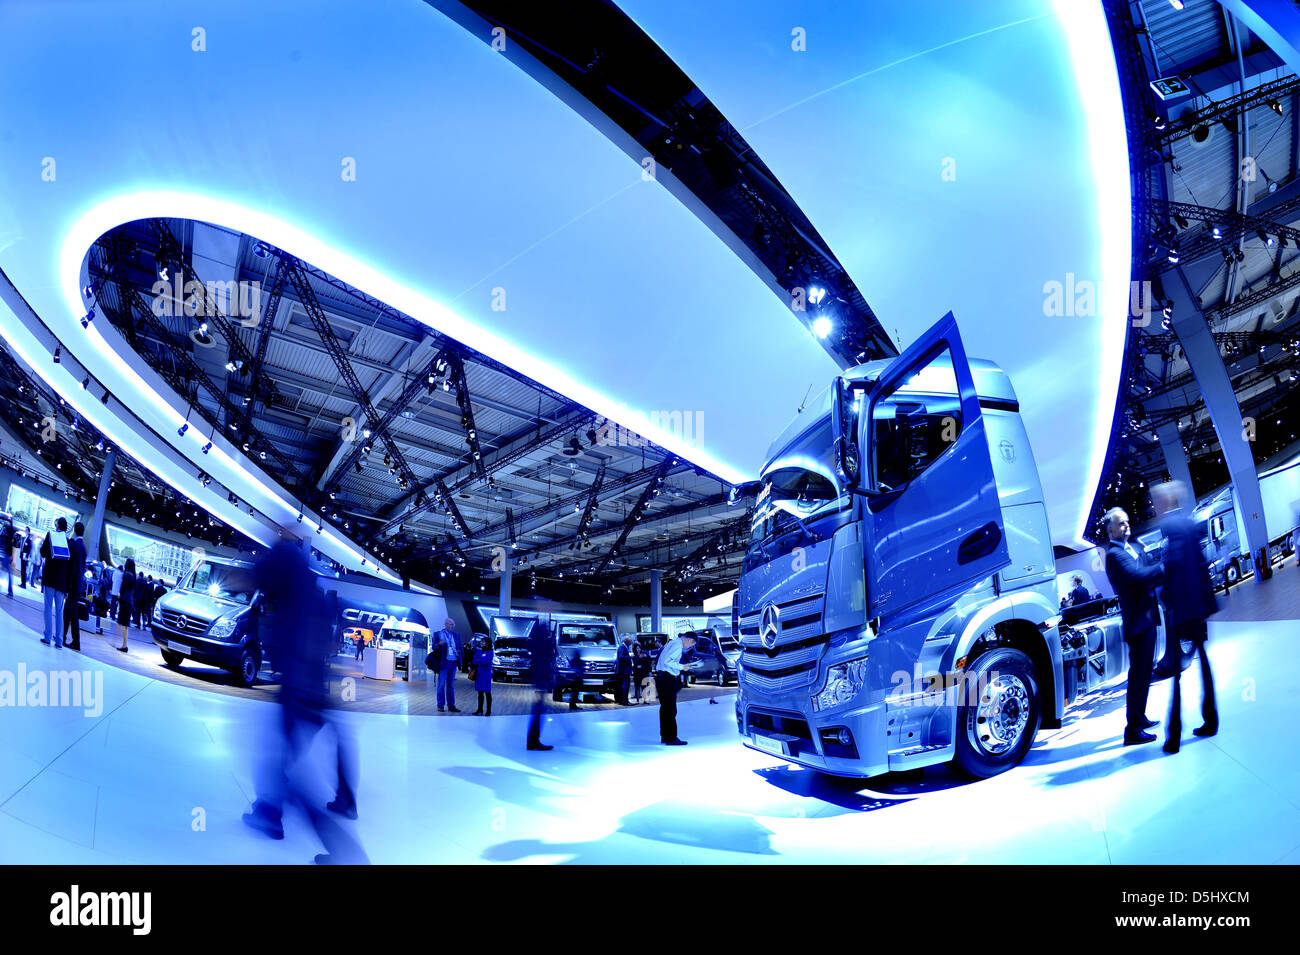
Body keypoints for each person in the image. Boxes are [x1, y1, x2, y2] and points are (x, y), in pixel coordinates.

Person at [241, 541, 364, 864]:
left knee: (290, 771)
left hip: (298, 688)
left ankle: (346, 856)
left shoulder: (292, 590)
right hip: (313, 689)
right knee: (285, 757)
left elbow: (260, 575)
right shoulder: (317, 597)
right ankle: (273, 809)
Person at [1151, 482, 1219, 753]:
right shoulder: (1188, 523)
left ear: (1165, 501)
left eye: (1155, 501)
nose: (1153, 506)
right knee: (1203, 662)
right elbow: (1200, 565)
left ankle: (1174, 736)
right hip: (1198, 605)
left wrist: (1165, 595)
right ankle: (1210, 719)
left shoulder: (1170, 527)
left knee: (1177, 674)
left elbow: (1175, 566)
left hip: (1183, 608)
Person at [1102, 507, 1165, 746]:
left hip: (1145, 619)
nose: (1127, 526)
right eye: (1121, 523)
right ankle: (1133, 730)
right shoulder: (1114, 556)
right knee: (1139, 675)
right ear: (1110, 530)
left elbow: (1142, 573)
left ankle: (1139, 717)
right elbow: (1137, 578)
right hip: (1138, 622)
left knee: (1142, 674)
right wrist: (1162, 569)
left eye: (1127, 521)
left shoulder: (1128, 550)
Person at [654, 632, 700, 745]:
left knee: (665, 709)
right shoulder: (678, 645)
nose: (690, 647)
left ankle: (665, 736)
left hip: (662, 678)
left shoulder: (673, 642)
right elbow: (667, 661)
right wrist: (682, 667)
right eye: (691, 645)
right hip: (667, 678)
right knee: (670, 709)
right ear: (690, 640)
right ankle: (671, 738)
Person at [38, 518, 72, 648]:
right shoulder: (69, 542)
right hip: (62, 583)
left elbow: (43, 552)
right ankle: (58, 641)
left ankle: (47, 637)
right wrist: (67, 587)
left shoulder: (50, 536)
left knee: (47, 609)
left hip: (49, 579)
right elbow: (69, 566)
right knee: (59, 612)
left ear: (57, 525)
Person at [526, 623, 554, 751]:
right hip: (540, 679)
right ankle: (533, 741)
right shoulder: (542, 642)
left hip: (540, 678)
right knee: (538, 710)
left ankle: (532, 741)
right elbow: (544, 659)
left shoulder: (537, 640)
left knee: (538, 710)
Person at [62, 521, 87, 651]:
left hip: (73, 585)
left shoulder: (76, 546)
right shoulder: (83, 546)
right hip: (77, 585)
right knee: (68, 613)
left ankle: (76, 642)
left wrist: (67, 587)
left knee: (72, 615)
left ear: (75, 530)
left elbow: (74, 569)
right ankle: (63, 636)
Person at [432, 617, 460, 712]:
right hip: (444, 663)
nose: (453, 626)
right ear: (446, 625)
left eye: (453, 625)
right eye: (451, 624)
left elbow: (460, 646)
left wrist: (460, 655)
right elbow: (434, 647)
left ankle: (451, 705)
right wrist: (439, 644)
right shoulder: (438, 634)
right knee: (441, 685)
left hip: (453, 663)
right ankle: (440, 705)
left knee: (450, 685)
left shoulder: (456, 635)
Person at [113, 558, 136, 652]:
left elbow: (123, 588)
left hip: (124, 601)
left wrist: (119, 598)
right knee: (125, 624)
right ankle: (124, 644)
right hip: (129, 601)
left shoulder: (126, 574)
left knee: (122, 623)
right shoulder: (134, 576)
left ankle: (124, 645)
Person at [472, 637, 494, 716]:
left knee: (487, 692)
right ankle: (479, 709)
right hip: (479, 674)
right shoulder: (479, 651)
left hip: (486, 675)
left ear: (487, 643)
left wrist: (479, 660)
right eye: (481, 642)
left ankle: (488, 710)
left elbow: (485, 661)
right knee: (480, 693)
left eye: (483, 642)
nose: (481, 643)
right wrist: (480, 660)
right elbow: (474, 661)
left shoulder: (491, 652)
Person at [615, 635, 633, 705]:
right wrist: (630, 656)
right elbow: (621, 657)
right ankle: (624, 700)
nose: (631, 643)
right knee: (625, 685)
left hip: (624, 670)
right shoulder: (622, 647)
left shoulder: (625, 647)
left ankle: (622, 700)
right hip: (624, 670)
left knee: (623, 685)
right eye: (630, 641)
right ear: (626, 641)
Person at [1, 518, 14, 598]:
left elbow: (12, 544)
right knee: (7, 572)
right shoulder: (6, 530)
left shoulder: (9, 530)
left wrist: (12, 556)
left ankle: (10, 592)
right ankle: (10, 592)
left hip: (7, 554)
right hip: (5, 553)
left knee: (5, 572)